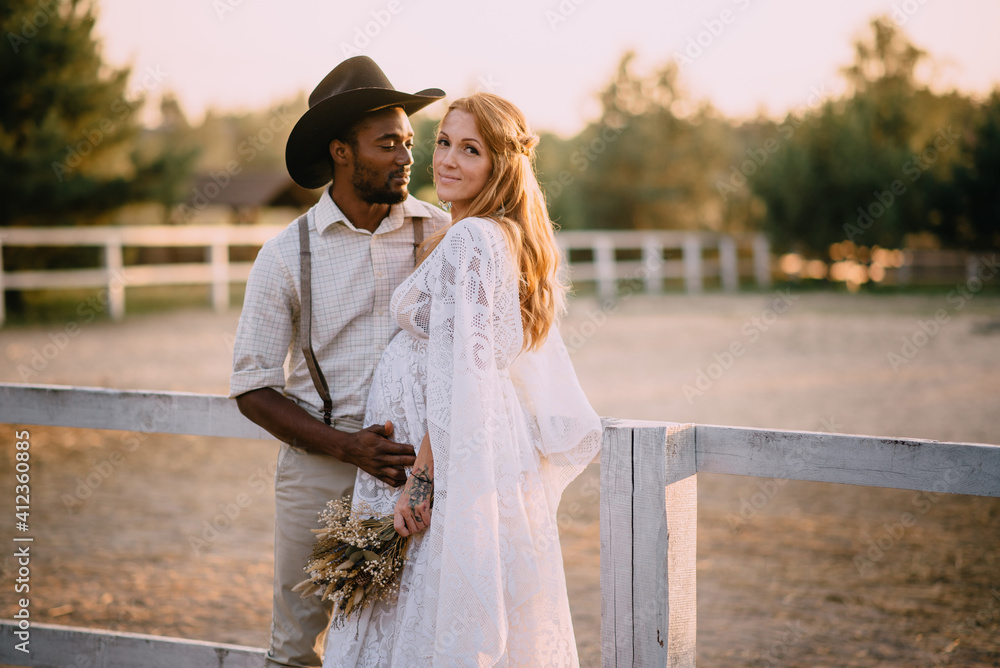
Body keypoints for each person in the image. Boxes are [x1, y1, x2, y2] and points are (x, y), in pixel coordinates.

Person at [322, 92, 602, 667]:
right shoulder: (488, 233)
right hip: (451, 451)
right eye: (445, 142)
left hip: (442, 460)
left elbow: (467, 377)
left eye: (471, 150)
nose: (447, 159)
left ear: (501, 164)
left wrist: (423, 480)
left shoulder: (475, 240)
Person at [229, 56, 450, 668]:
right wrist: (346, 447)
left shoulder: (441, 234)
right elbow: (252, 388)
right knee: (296, 645)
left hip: (421, 469)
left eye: (408, 142)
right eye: (387, 144)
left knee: (415, 634)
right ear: (342, 152)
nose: (406, 156)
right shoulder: (285, 255)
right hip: (319, 469)